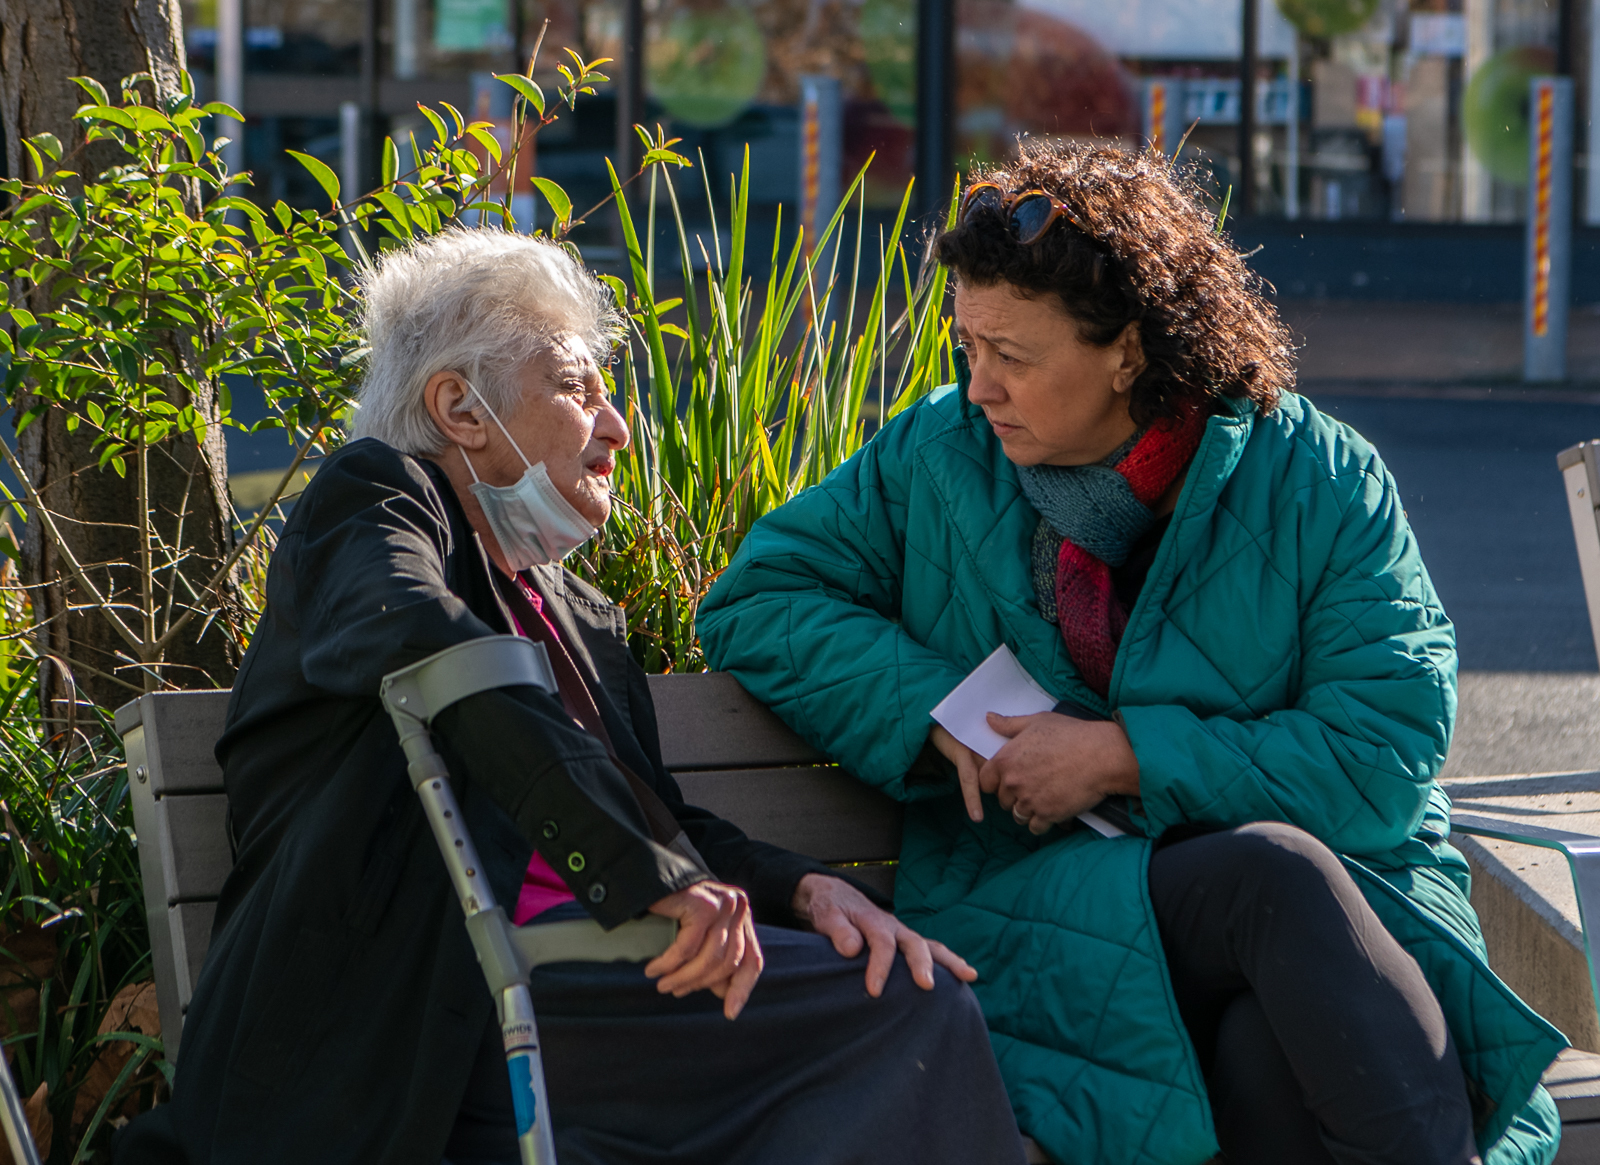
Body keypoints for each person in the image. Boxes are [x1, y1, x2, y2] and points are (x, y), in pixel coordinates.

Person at [696, 140, 1567, 1165]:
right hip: (1041, 900)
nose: (978, 388)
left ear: (1127, 351)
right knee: (1272, 883)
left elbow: (1378, 761)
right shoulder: (936, 456)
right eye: (967, 347)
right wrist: (940, 712)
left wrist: (1122, 757)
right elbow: (759, 599)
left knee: (1264, 1044)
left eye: (1011, 356)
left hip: (1345, 919)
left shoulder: (1322, 478)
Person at [113, 227, 1025, 1165]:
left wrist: (802, 887)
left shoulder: (573, 612)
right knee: (911, 1011)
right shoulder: (375, 499)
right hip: (425, 1021)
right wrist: (640, 872)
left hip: (587, 1000)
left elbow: (661, 819)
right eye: (577, 387)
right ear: (461, 408)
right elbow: (422, 638)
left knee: (904, 994)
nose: (617, 426)